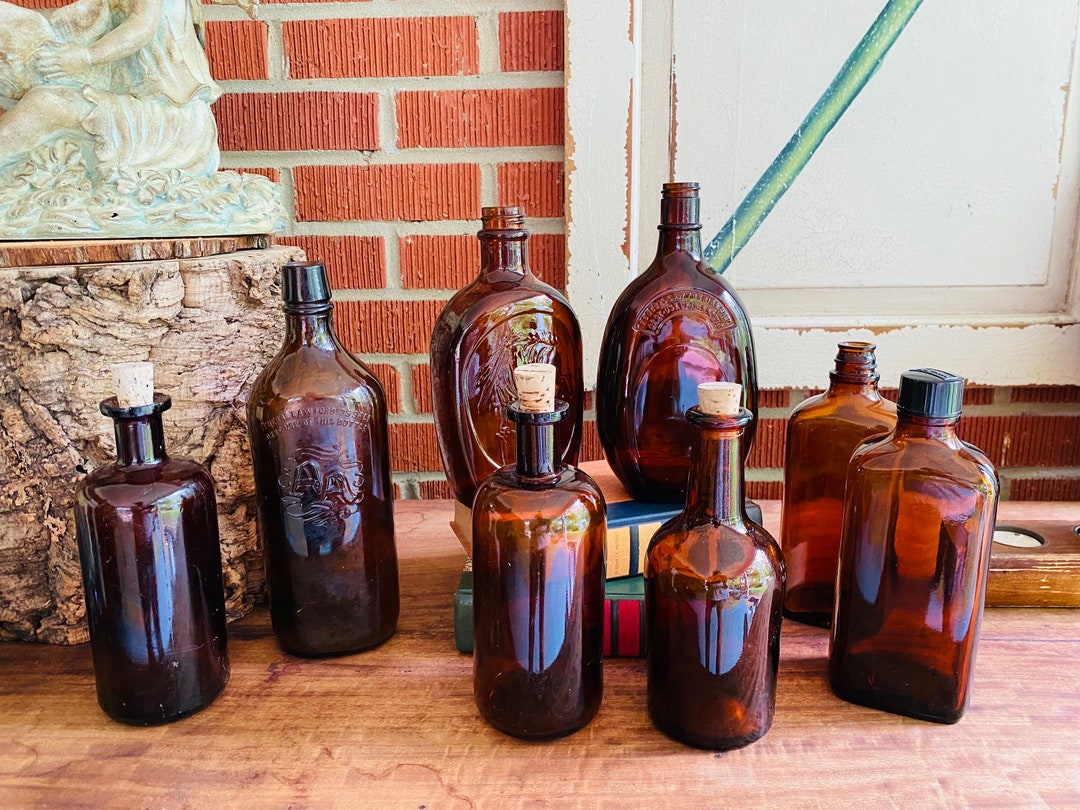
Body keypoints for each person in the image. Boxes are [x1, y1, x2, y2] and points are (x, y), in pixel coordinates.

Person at [0, 0, 222, 177]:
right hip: (139, 105)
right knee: (35, 99)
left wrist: (86, 57)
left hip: (170, 121)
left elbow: (142, 25)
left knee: (46, 105)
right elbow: (80, 19)